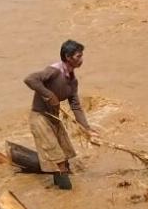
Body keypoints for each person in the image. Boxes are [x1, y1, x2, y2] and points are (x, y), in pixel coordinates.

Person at [23, 40, 96, 190]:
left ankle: (60, 196)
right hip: (40, 117)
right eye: (78, 56)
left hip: (54, 119)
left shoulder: (73, 81)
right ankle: (68, 194)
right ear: (68, 57)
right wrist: (49, 94)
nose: (81, 59)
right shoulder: (53, 71)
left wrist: (87, 129)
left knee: (66, 154)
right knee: (58, 159)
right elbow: (30, 79)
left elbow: (75, 106)